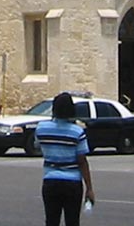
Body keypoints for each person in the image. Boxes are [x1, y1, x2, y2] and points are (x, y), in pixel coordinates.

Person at [35, 91, 95, 226]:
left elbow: (38, 146)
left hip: (50, 180)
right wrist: (89, 188)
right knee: (72, 221)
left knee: (51, 221)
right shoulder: (77, 131)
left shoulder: (41, 128)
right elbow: (82, 161)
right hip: (72, 183)